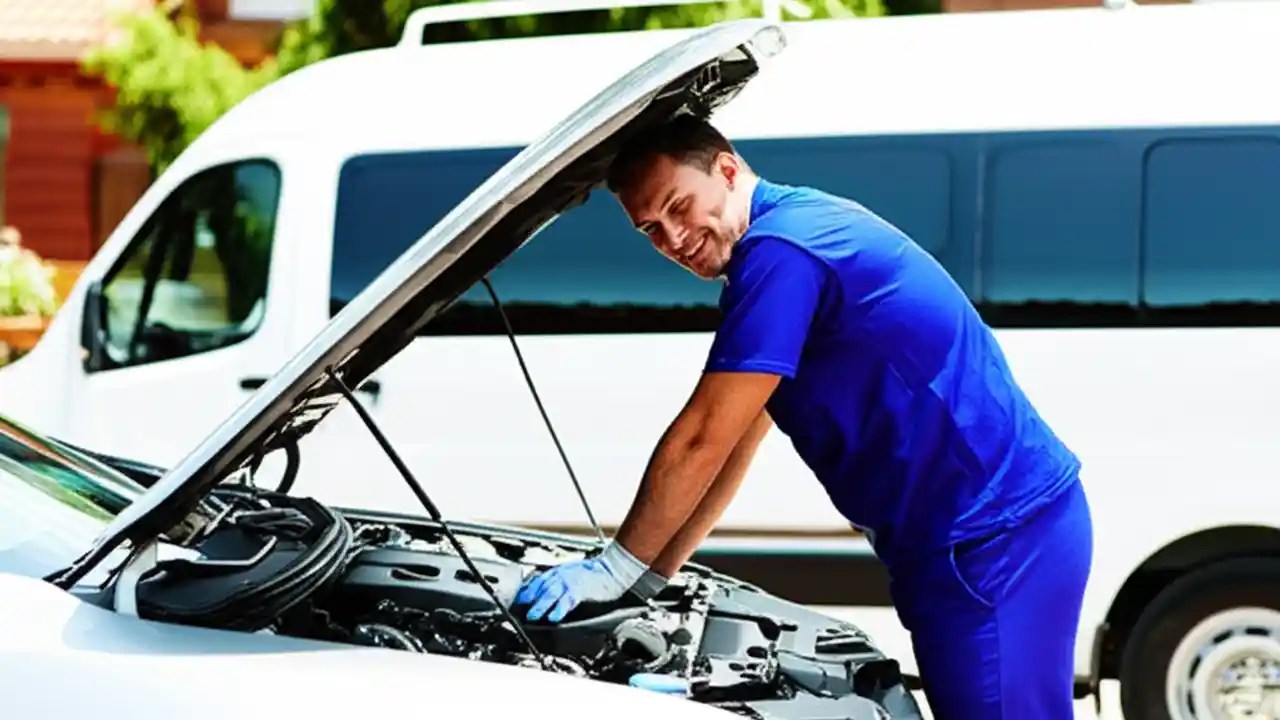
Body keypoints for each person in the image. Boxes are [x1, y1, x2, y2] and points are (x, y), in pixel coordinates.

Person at [513, 114, 1093, 718]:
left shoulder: (781, 252)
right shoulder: (793, 229)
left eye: (679, 206)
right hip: (982, 537)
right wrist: (652, 576)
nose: (675, 239)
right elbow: (736, 441)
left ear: (728, 168)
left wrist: (617, 565)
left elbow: (701, 437)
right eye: (651, 230)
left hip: (992, 544)